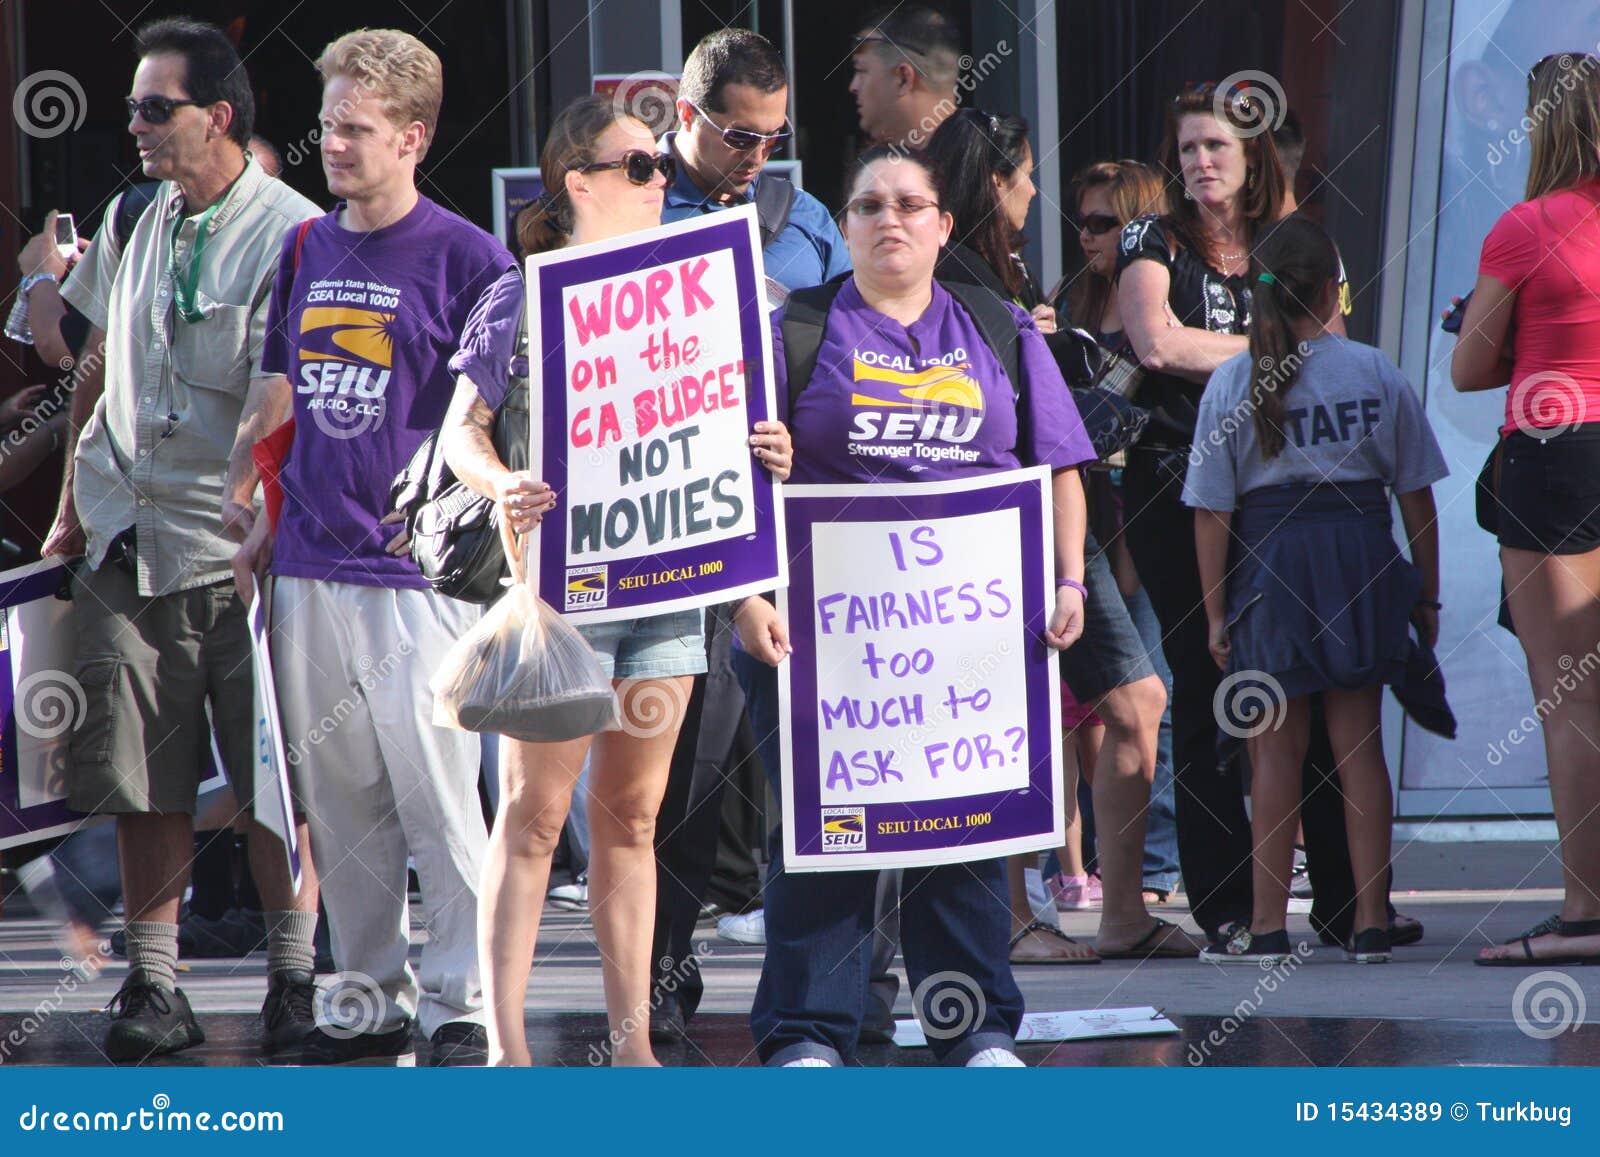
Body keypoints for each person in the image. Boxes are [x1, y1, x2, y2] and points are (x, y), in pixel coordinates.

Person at [442, 94, 792, 1067]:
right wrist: (501, 480)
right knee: (533, 818)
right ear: (578, 182)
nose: (658, 178)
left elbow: (715, 456)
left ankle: (631, 1049)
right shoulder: (525, 294)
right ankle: (509, 1051)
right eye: (638, 165)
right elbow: (460, 430)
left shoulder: (698, 294)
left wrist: (766, 461)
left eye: (659, 165)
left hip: (668, 595)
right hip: (560, 596)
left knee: (633, 822)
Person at [740, 145, 1098, 1066]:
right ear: (845, 227)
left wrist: (1069, 581)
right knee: (822, 837)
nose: (888, 218)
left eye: (909, 204)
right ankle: (809, 1033)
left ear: (943, 225)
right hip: (820, 636)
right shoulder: (794, 330)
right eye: (868, 205)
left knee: (966, 830)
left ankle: (973, 1028)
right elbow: (730, 480)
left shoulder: (997, 325)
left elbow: (1058, 463)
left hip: (973, 630)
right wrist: (748, 597)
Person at [225, 29, 513, 1066]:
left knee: (440, 797)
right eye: (328, 124)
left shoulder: (474, 259)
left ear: (412, 137)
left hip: (418, 572)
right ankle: (369, 996)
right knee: (341, 808)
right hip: (308, 562)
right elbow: (281, 388)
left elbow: (491, 416)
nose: (333, 145)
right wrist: (251, 503)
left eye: (354, 128)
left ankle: (462, 1002)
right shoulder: (305, 247)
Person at [42, 17, 321, 1061]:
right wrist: (71, 509)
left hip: (243, 549)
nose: (135, 126)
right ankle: (154, 986)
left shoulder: (298, 234)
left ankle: (296, 982)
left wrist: (277, 523)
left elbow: (305, 402)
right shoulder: (130, 215)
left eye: (155, 109)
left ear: (220, 117)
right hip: (128, 534)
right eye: (132, 107)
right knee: (139, 777)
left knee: (273, 779)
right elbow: (95, 369)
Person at [925, 110, 1187, 963]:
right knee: (1019, 713)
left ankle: (1115, 914)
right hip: (1005, 526)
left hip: (1046, 521)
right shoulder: (957, 280)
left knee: (1126, 703)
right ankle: (1016, 916)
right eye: (1028, 176)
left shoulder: (991, 275)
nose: (1036, 193)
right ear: (994, 183)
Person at [650, 27, 849, 1043]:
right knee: (677, 774)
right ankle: (658, 978)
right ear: (684, 115)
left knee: (807, 765)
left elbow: (854, 345)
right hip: (661, 525)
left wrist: (800, 428)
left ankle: (836, 991)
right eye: (739, 135)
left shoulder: (805, 218)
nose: (759, 154)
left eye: (775, 136)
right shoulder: (626, 196)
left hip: (783, 524)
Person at [1187, 215, 1445, 964]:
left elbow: (1211, 512)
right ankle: (1370, 920)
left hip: (1271, 570)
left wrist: (1215, 611)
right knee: (1359, 745)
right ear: (1336, 288)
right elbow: (1418, 496)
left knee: (1274, 752)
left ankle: (1268, 927)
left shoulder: (1232, 381)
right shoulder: (1374, 371)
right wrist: (1425, 594)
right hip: (1360, 561)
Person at [1455, 51, 1600, 967]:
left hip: (1556, 454)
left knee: (1572, 694)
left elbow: (1469, 367)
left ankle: (1586, 913)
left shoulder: (1525, 226)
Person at [848, 4, 962, 150]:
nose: (853, 87)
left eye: (862, 71)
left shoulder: (983, 160)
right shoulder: (975, 154)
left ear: (903, 79)